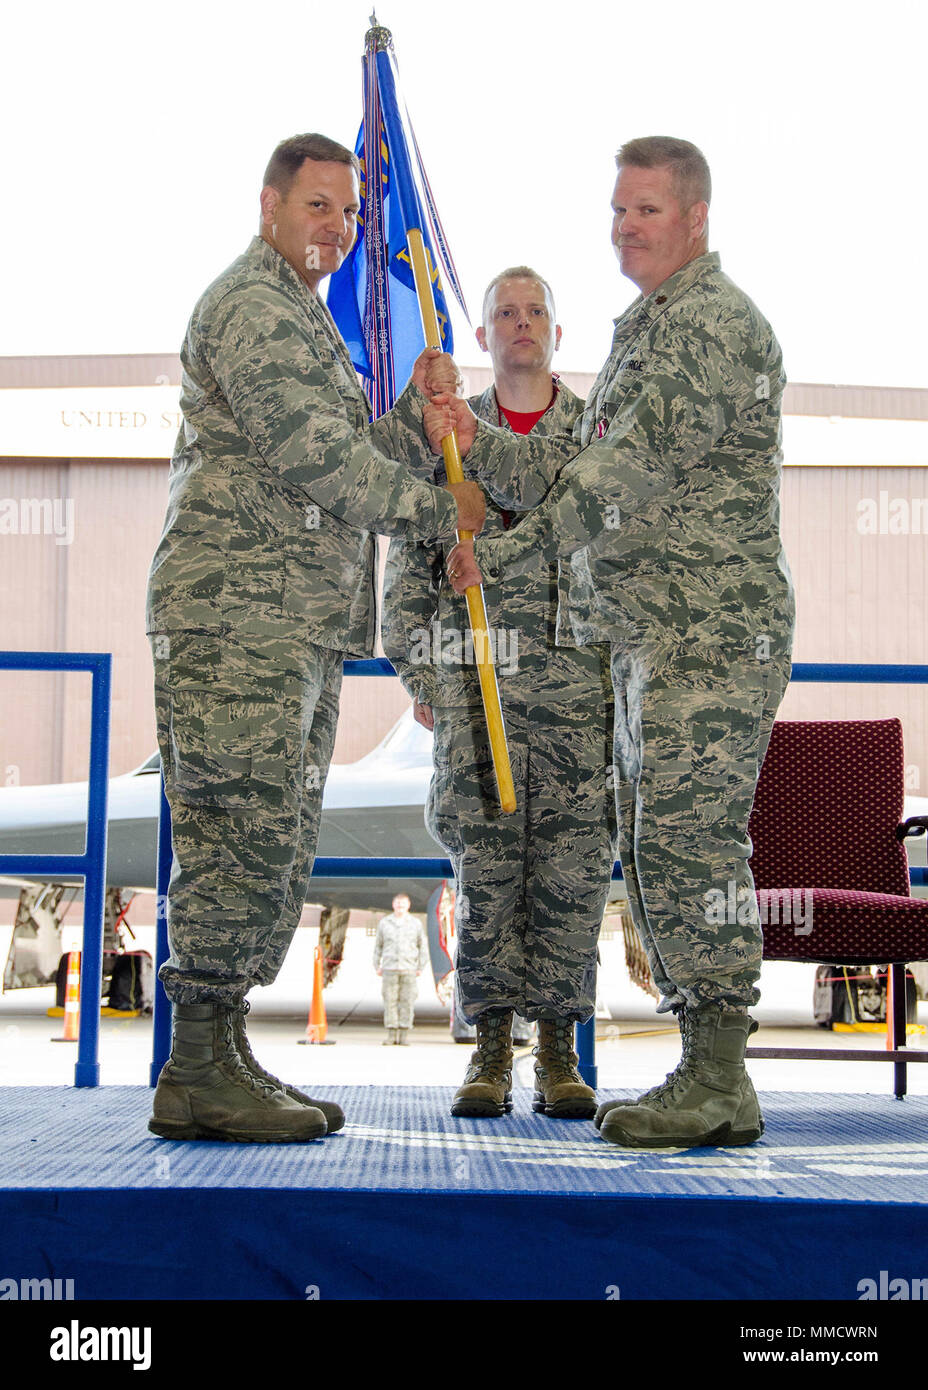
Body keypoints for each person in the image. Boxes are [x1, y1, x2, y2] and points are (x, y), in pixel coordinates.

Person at [437, 136, 795, 1149]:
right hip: (648, 639)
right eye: (617, 210)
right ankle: (705, 1065)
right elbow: (570, 461)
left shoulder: (711, 328)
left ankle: (721, 1074)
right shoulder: (647, 330)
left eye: (645, 209)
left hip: (706, 632)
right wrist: (459, 440)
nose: (625, 226)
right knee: (652, 845)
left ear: (694, 216)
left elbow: (610, 479)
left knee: (690, 843)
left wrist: (494, 561)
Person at [145, 131, 485, 1144]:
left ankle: (223, 1048)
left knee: (272, 832)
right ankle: (197, 1063)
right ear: (269, 205)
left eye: (347, 213)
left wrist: (418, 424)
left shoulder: (300, 315)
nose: (335, 230)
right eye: (316, 208)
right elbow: (316, 463)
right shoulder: (251, 307)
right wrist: (443, 511)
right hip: (234, 614)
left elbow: (344, 451)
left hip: (287, 623)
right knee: (233, 824)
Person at [383, 268, 616, 1120]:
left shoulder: (591, 434)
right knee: (483, 874)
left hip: (573, 693)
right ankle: (488, 1051)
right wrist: (420, 672)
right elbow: (407, 567)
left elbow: (606, 533)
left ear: (557, 331)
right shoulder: (448, 439)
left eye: (536, 311)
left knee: (571, 874)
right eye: (504, 314)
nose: (522, 324)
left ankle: (559, 1051)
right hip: (476, 692)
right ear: (481, 337)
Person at [373, 893, 429, 1045]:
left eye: (403, 903)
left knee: (407, 1001)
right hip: (390, 968)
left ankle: (403, 1035)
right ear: (393, 905)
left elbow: (422, 946)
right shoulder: (385, 923)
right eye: (398, 903)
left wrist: (420, 966)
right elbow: (378, 946)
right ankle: (391, 1034)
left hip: (408, 969)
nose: (400, 906)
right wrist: (377, 965)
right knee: (389, 1002)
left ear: (408, 905)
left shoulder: (415, 924)